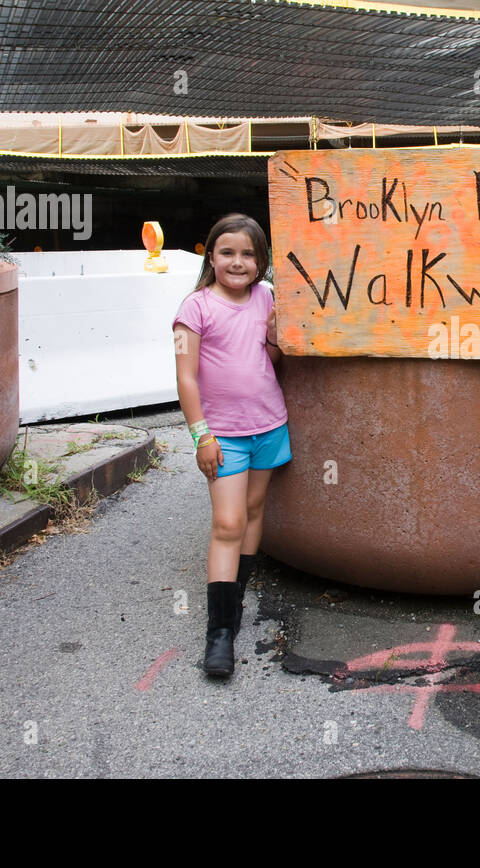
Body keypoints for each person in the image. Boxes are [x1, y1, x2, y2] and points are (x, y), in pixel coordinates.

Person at [172, 213, 290, 678]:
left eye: (247, 254)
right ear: (212, 256)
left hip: (270, 424)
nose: (237, 262)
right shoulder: (194, 308)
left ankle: (235, 596)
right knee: (227, 521)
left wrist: (276, 338)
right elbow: (185, 377)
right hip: (222, 435)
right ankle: (219, 633)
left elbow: (272, 360)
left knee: (255, 509)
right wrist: (202, 435)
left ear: (261, 260)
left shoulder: (267, 298)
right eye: (227, 253)